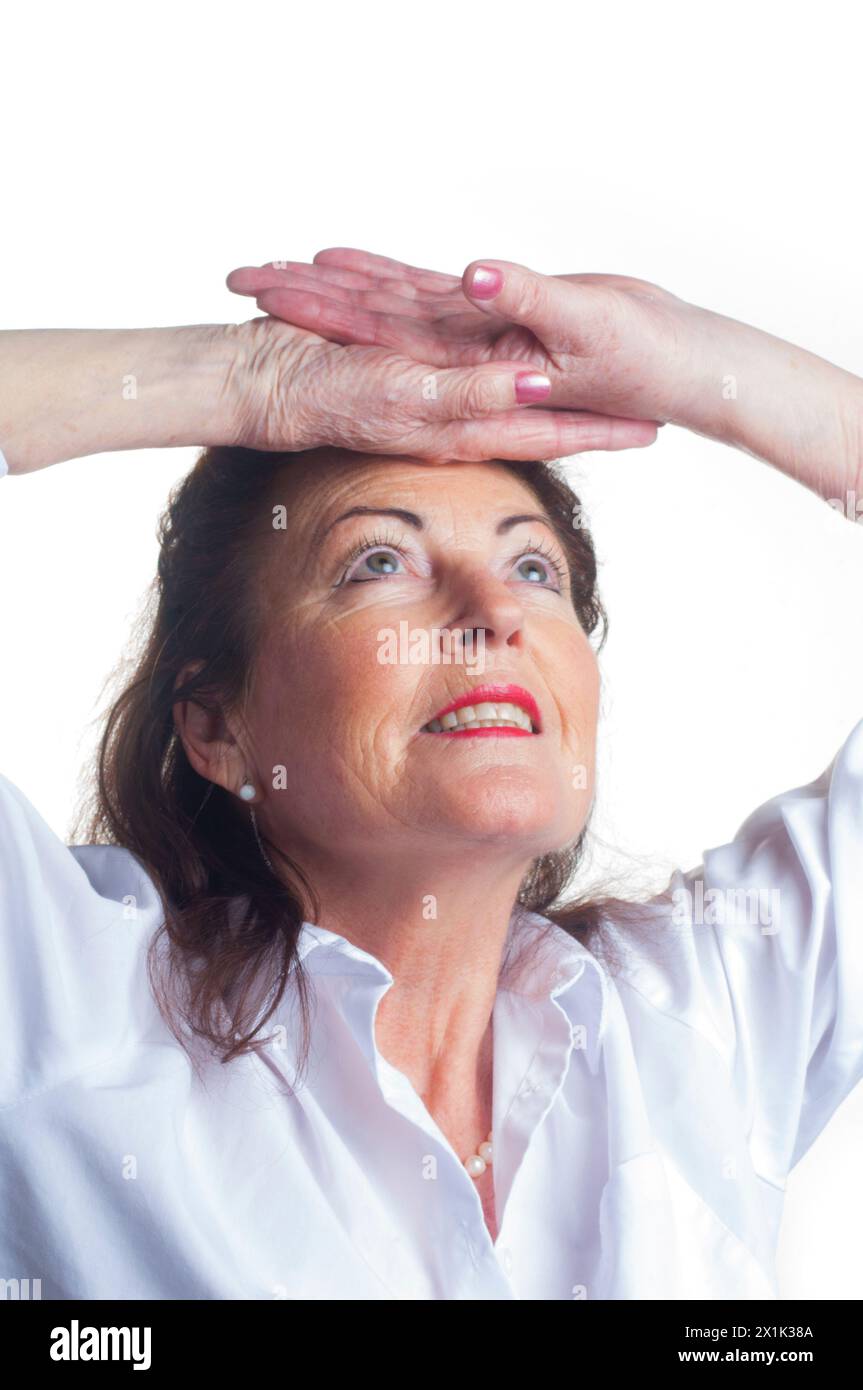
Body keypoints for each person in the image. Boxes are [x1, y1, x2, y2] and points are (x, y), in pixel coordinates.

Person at [0, 251, 860, 1301]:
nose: (492, 615)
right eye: (379, 561)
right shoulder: (62, 1007)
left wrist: (697, 366)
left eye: (531, 566)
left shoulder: (708, 1011)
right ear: (216, 726)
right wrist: (246, 383)